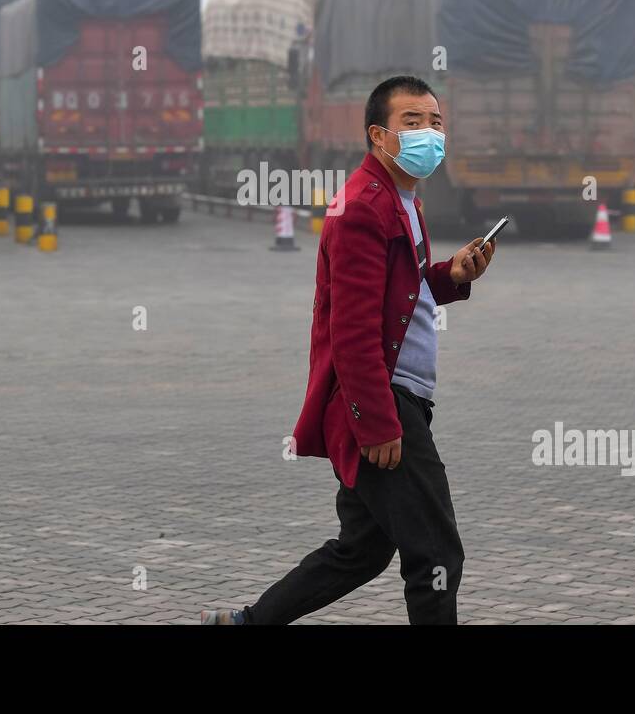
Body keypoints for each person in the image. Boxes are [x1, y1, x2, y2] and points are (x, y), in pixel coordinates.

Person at [202, 74, 495, 625]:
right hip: (382, 402)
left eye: (435, 122)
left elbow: (401, 294)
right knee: (436, 555)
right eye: (413, 122)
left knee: (362, 550)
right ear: (378, 136)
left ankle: (244, 625)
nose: (429, 132)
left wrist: (452, 275)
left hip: (389, 399)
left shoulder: (402, 200)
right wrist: (377, 422)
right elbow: (353, 330)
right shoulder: (362, 207)